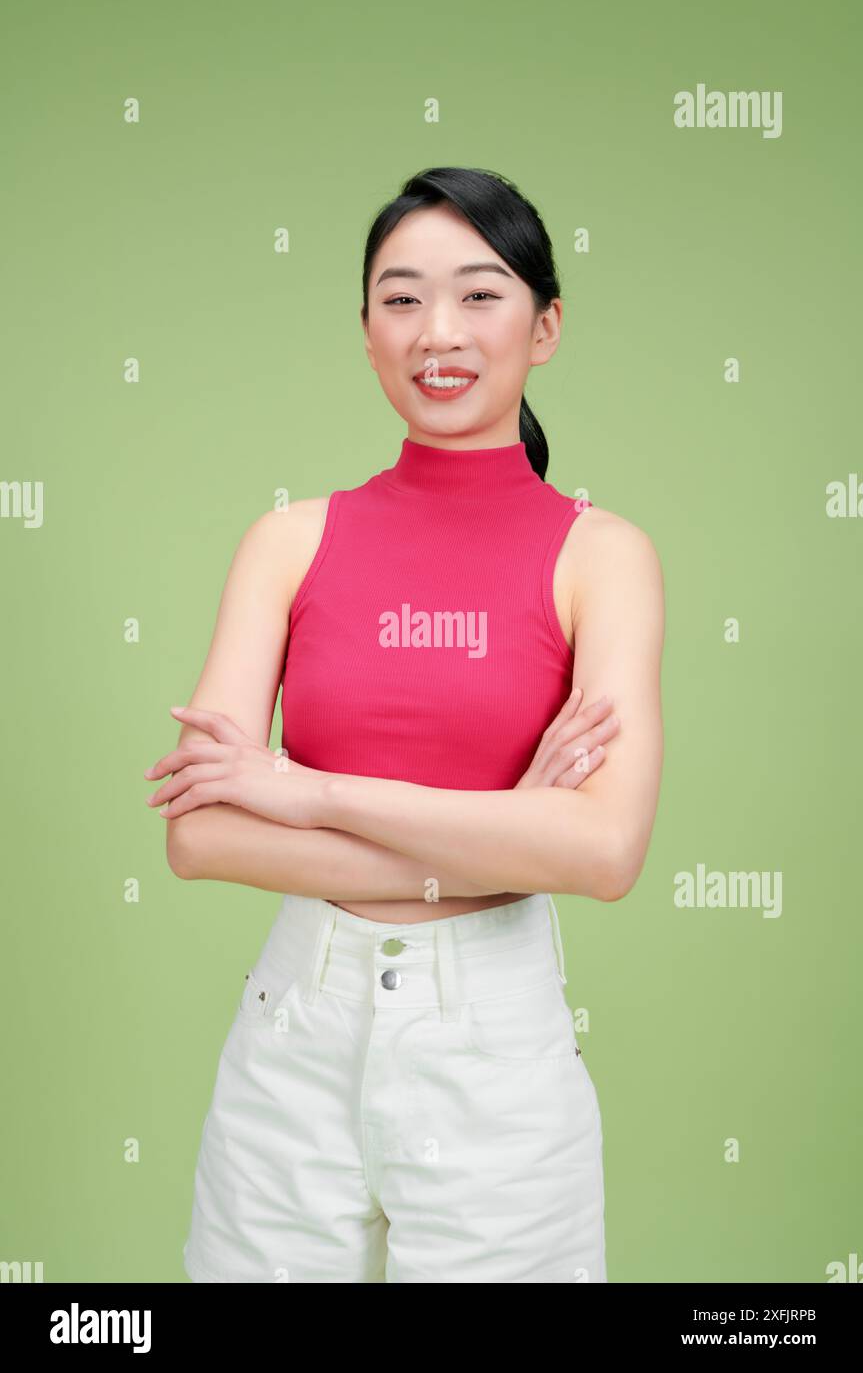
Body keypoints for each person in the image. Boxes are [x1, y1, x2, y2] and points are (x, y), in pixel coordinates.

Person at [145, 166, 665, 1283]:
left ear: (545, 325)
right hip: (294, 1031)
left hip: (495, 1040)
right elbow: (197, 837)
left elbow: (604, 851)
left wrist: (306, 788)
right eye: (399, 297)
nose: (438, 331)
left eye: (480, 295)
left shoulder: (601, 555)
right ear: (368, 330)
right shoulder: (286, 540)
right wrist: (506, 821)